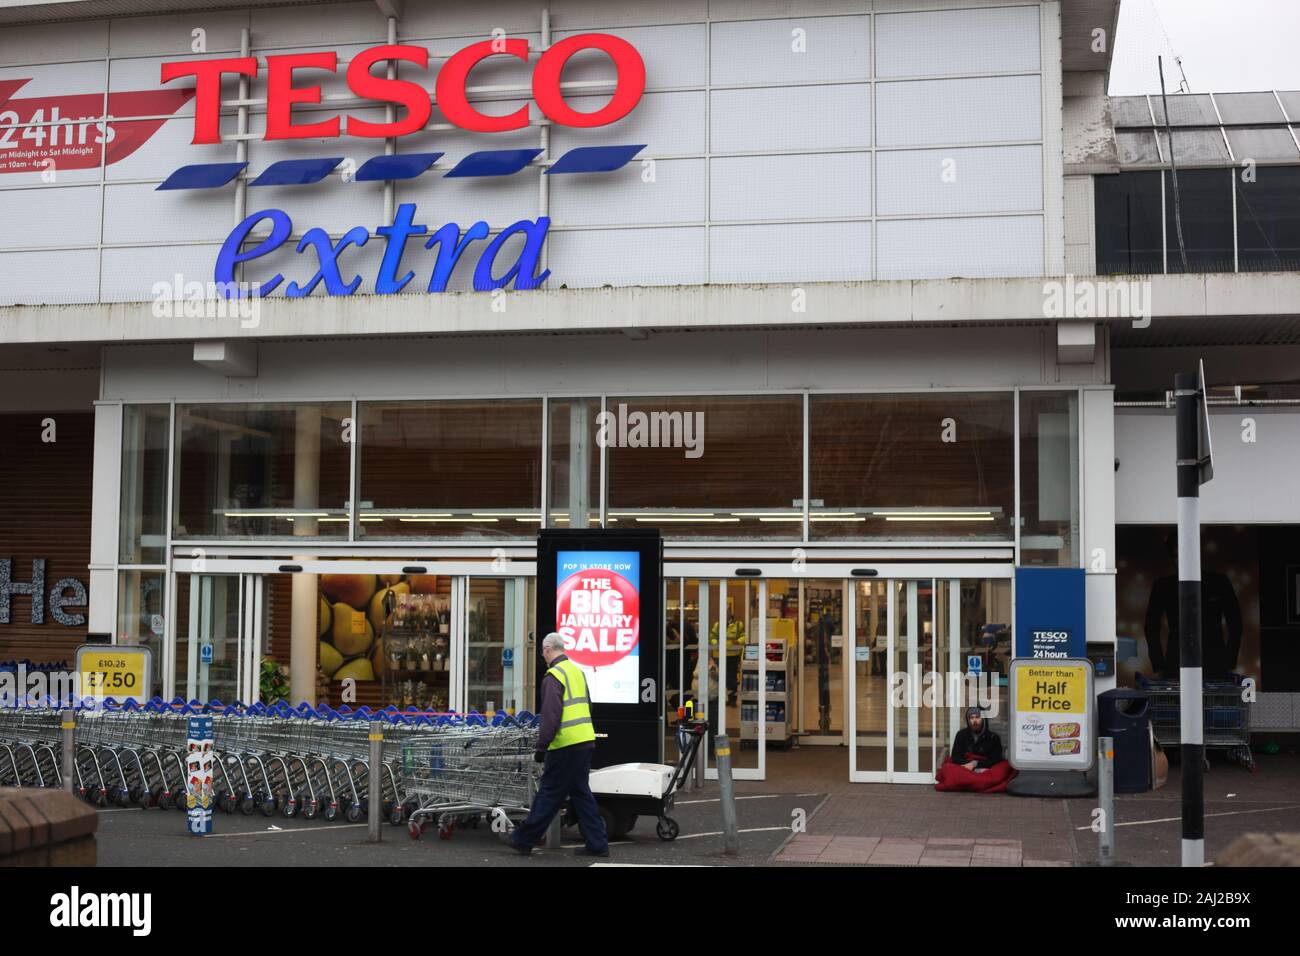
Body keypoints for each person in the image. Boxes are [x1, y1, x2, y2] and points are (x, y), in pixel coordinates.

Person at [503, 633, 609, 857]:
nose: (542, 655)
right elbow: (589, 707)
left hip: (565, 745)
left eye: (543, 650)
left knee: (549, 793)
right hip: (584, 740)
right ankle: (598, 844)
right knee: (581, 794)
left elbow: (550, 716)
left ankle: (523, 839)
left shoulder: (554, 676)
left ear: (549, 648)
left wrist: (542, 747)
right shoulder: (577, 672)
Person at [934, 706, 1016, 793]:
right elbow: (955, 756)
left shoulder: (993, 738)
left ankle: (970, 783)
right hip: (965, 769)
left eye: (977, 717)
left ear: (983, 719)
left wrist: (975, 764)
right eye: (972, 718)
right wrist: (968, 766)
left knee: (1006, 765)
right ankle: (977, 783)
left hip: (985, 769)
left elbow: (995, 759)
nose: (975, 721)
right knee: (948, 767)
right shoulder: (961, 735)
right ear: (968, 720)